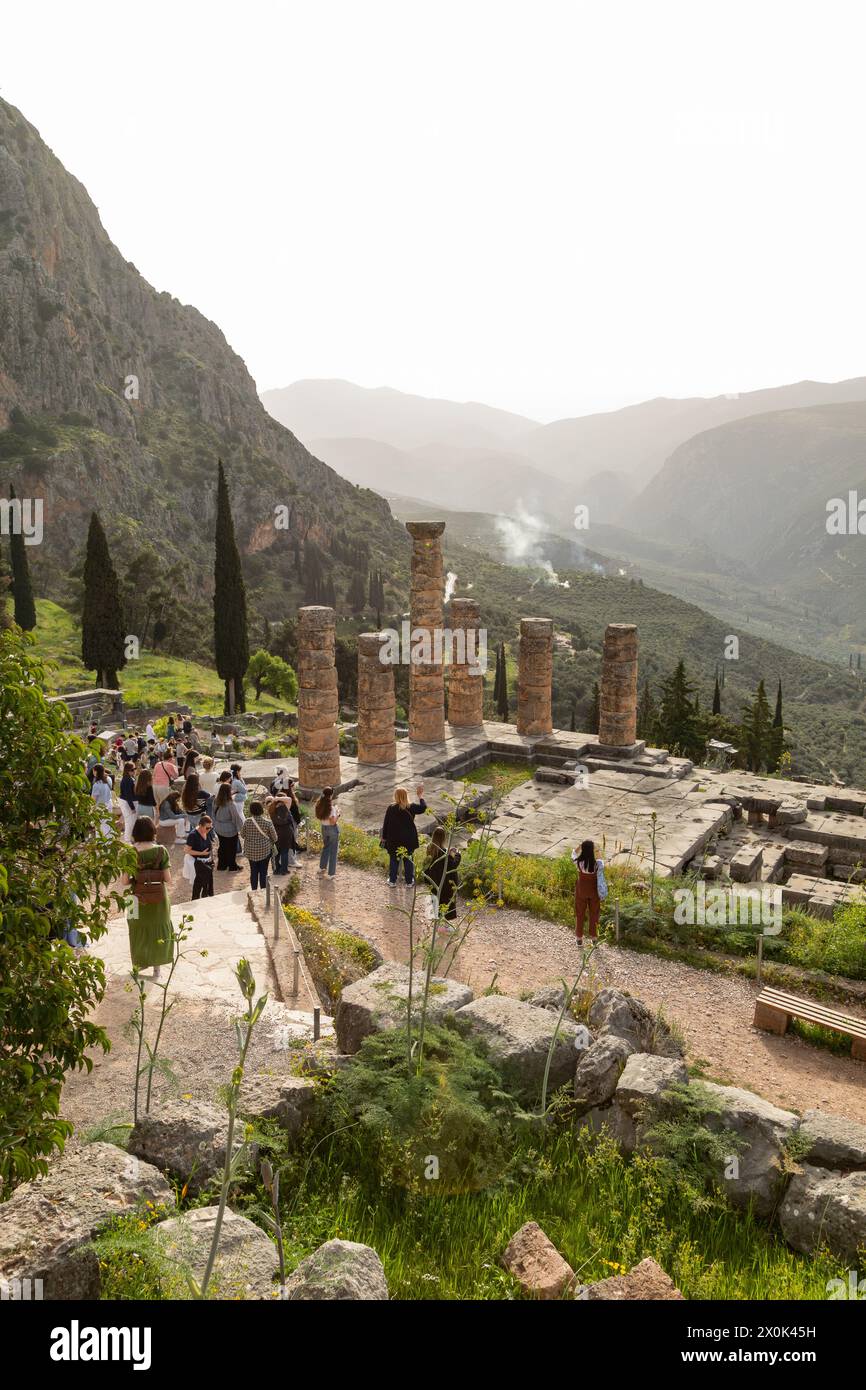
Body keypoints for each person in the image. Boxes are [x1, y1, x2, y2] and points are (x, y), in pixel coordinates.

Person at [126, 815, 173, 979]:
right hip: (159, 897)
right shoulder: (161, 851)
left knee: (134, 930)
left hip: (133, 898)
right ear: (153, 831)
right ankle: (156, 969)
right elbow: (168, 879)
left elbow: (125, 881)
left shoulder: (129, 852)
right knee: (157, 930)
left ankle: (137, 966)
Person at [380, 784, 426, 886]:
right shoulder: (411, 807)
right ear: (406, 796)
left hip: (394, 839)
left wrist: (384, 837)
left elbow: (386, 824)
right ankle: (409, 882)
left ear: (395, 796)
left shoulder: (391, 808)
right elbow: (423, 808)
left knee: (394, 859)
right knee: (408, 859)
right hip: (408, 839)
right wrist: (420, 796)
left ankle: (392, 881)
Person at [423, 826, 462, 926]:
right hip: (445, 884)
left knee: (436, 901)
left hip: (434, 882)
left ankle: (437, 922)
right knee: (446, 903)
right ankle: (444, 926)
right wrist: (457, 854)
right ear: (444, 838)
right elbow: (453, 865)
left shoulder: (429, 850)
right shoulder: (445, 853)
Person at [571, 838, 607, 945]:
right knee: (594, 913)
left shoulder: (578, 863)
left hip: (581, 890)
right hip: (593, 891)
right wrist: (596, 849)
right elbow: (601, 859)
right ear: (592, 850)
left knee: (580, 913)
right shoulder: (597, 864)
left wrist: (580, 846)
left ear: (583, 849)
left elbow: (573, 853)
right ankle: (594, 938)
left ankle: (579, 938)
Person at [241, 800, 277, 890]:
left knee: (253, 871)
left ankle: (253, 890)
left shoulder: (247, 822)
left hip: (250, 851)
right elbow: (275, 838)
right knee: (263, 872)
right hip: (264, 851)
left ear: (251, 810)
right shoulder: (267, 822)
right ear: (261, 809)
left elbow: (242, 835)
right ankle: (263, 890)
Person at [212, 782, 244, 870]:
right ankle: (232, 866)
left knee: (222, 846)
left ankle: (222, 865)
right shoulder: (230, 804)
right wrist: (242, 829)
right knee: (231, 848)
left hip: (218, 827)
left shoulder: (215, 800)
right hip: (229, 829)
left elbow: (213, 814)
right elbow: (236, 818)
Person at [185, 812, 216, 899]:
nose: (209, 829)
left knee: (206, 883)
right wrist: (201, 853)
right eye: (207, 827)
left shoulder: (207, 831)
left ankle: (204, 899)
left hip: (208, 861)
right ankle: (196, 899)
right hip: (198, 863)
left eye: (211, 827)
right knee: (199, 883)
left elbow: (210, 848)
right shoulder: (193, 835)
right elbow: (187, 850)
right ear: (200, 825)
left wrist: (212, 860)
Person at [315, 786, 340, 879]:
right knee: (333, 851)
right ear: (331, 795)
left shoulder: (319, 804)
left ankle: (322, 867)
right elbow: (333, 821)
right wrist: (338, 813)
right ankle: (331, 874)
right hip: (332, 829)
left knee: (326, 848)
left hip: (323, 828)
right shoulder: (331, 808)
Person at [270, 797, 299, 874]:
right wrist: (277, 798)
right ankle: (284, 870)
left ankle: (276, 869)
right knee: (284, 851)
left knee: (277, 852)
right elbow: (289, 799)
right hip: (286, 832)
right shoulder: (285, 807)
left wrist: (274, 800)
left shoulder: (271, 809)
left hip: (276, 832)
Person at [90, 762, 115, 838]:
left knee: (100, 828)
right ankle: (109, 841)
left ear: (96, 771)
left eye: (93, 771)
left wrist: (91, 810)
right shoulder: (109, 779)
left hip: (100, 807)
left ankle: (101, 843)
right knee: (108, 825)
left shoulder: (96, 785)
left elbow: (93, 800)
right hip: (109, 804)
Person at [152, 748, 178, 813]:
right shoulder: (170, 765)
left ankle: (158, 820)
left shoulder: (158, 764)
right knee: (165, 804)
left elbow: (154, 774)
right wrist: (174, 766)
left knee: (158, 804)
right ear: (170, 758)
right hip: (163, 786)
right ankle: (165, 820)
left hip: (154, 785)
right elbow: (175, 776)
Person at [118, 760, 138, 842]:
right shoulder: (127, 780)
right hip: (127, 802)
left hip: (127, 801)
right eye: (133, 769)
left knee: (130, 821)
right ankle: (127, 840)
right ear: (128, 771)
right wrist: (132, 807)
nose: (134, 771)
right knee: (129, 822)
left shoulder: (129, 778)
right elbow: (128, 795)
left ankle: (129, 839)